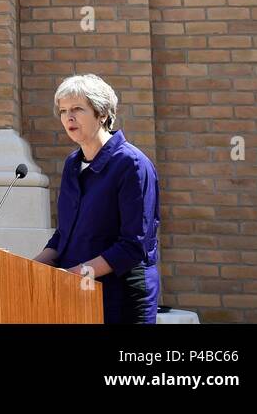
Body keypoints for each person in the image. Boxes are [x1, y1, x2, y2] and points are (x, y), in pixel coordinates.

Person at [33, 74, 161, 323]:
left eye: (77, 109)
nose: (68, 117)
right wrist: (28, 269)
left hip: (121, 297)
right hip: (78, 289)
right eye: (63, 111)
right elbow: (64, 235)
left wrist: (73, 274)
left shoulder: (131, 164)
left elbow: (132, 246)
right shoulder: (72, 164)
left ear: (102, 114)